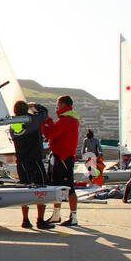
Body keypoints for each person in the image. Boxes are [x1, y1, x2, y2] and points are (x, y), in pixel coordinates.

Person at [8, 100, 54, 229]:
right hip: (35, 160)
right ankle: (40, 220)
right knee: (41, 189)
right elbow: (44, 112)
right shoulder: (32, 120)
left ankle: (25, 220)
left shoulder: (12, 125)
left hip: (21, 161)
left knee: (24, 188)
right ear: (26, 109)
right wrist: (34, 106)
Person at [41, 96, 81, 226]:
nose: (56, 106)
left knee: (69, 187)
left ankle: (73, 217)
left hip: (63, 157)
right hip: (60, 156)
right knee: (57, 187)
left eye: (58, 104)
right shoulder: (67, 119)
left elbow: (50, 133)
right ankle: (57, 215)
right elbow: (52, 133)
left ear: (63, 105)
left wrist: (46, 119)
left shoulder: (67, 120)